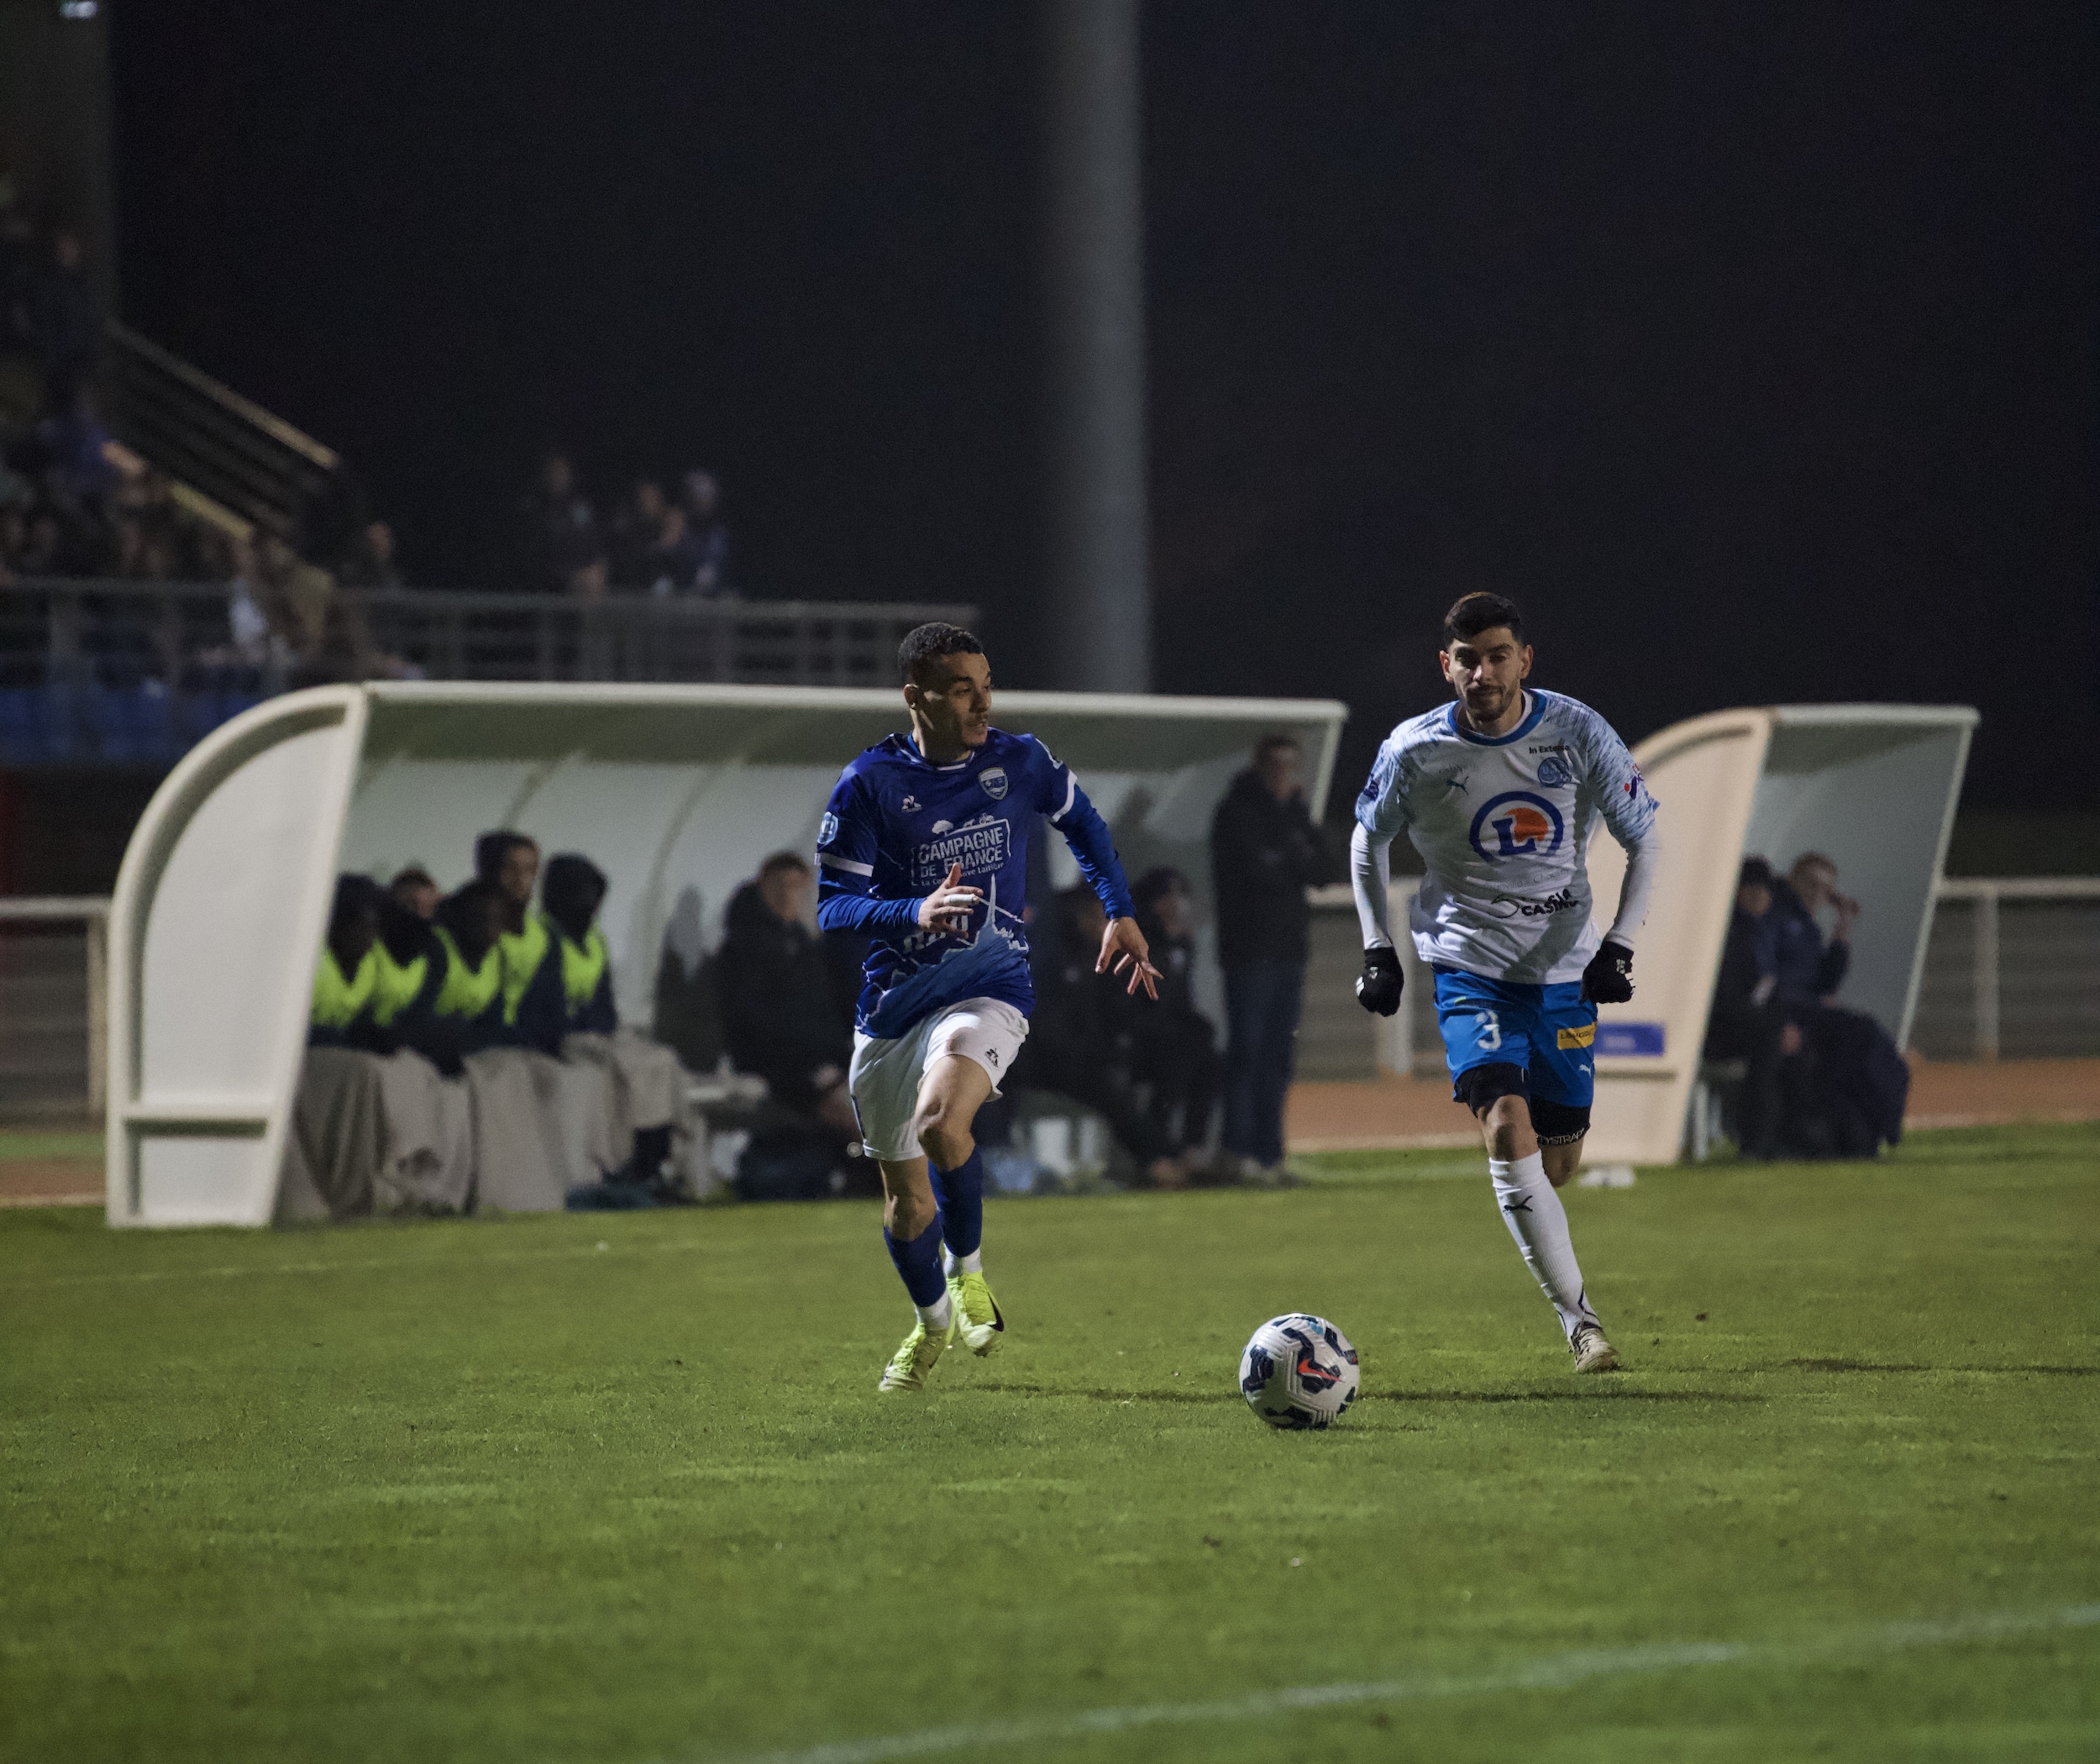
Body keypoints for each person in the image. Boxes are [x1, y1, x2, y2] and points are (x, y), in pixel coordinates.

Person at [815, 620, 1160, 1393]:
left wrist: (1119, 908)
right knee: (905, 1203)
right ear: (916, 696)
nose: (981, 703)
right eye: (961, 689)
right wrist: (912, 912)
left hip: (989, 988)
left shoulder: (1019, 760)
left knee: (945, 1124)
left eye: (986, 685)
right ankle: (932, 1320)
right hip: (894, 1009)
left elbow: (1086, 825)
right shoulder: (868, 783)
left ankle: (969, 1272)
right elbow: (833, 908)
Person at [1350, 591, 1662, 1374]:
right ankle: (1581, 1323)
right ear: (1445, 666)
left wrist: (1620, 945)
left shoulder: (1579, 731)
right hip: (1468, 967)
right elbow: (1366, 842)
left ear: (1525, 660)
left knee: (1557, 1164)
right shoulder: (1413, 749)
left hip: (1562, 971)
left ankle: (1539, 1231)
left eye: (1497, 656)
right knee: (1503, 1124)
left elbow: (1645, 838)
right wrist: (1377, 946)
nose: (1482, 672)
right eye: (1467, 658)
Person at [1210, 732, 1332, 1182]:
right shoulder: (1237, 811)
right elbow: (1256, 874)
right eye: (1275, 764)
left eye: (1290, 764)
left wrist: (1288, 857)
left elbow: (1324, 870)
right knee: (1248, 1053)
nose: (1284, 774)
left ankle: (1270, 1156)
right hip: (1249, 952)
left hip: (1288, 951)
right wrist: (1292, 856)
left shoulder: (1294, 812)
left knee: (1279, 1057)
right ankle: (1238, 1153)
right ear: (1260, 766)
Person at [1020, 885, 1187, 1189]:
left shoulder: (1109, 959)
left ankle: (1173, 1151)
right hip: (1056, 1061)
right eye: (1100, 918)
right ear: (1082, 918)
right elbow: (1056, 1029)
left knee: (1174, 1063)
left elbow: (1127, 1012)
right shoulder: (1058, 960)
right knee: (1108, 1090)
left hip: (1099, 1053)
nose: (1107, 926)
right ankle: (1154, 1159)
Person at [717, 853, 860, 1152]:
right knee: (851, 1109)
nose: (788, 895)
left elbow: (827, 1012)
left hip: (821, 1060)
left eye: (797, 887)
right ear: (762, 886)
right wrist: (816, 1063)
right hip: (777, 1063)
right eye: (780, 885)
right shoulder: (742, 949)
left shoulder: (803, 945)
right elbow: (752, 1020)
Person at [1126, 868, 1221, 1168]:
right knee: (1173, 1064)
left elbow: (1182, 1003)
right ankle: (1159, 1151)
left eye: (1181, 896)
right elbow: (1142, 1004)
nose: (1177, 904)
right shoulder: (1138, 945)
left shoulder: (1182, 945)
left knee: (1210, 1063)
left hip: (1173, 1037)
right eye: (1169, 896)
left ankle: (1192, 1146)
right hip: (1140, 1040)